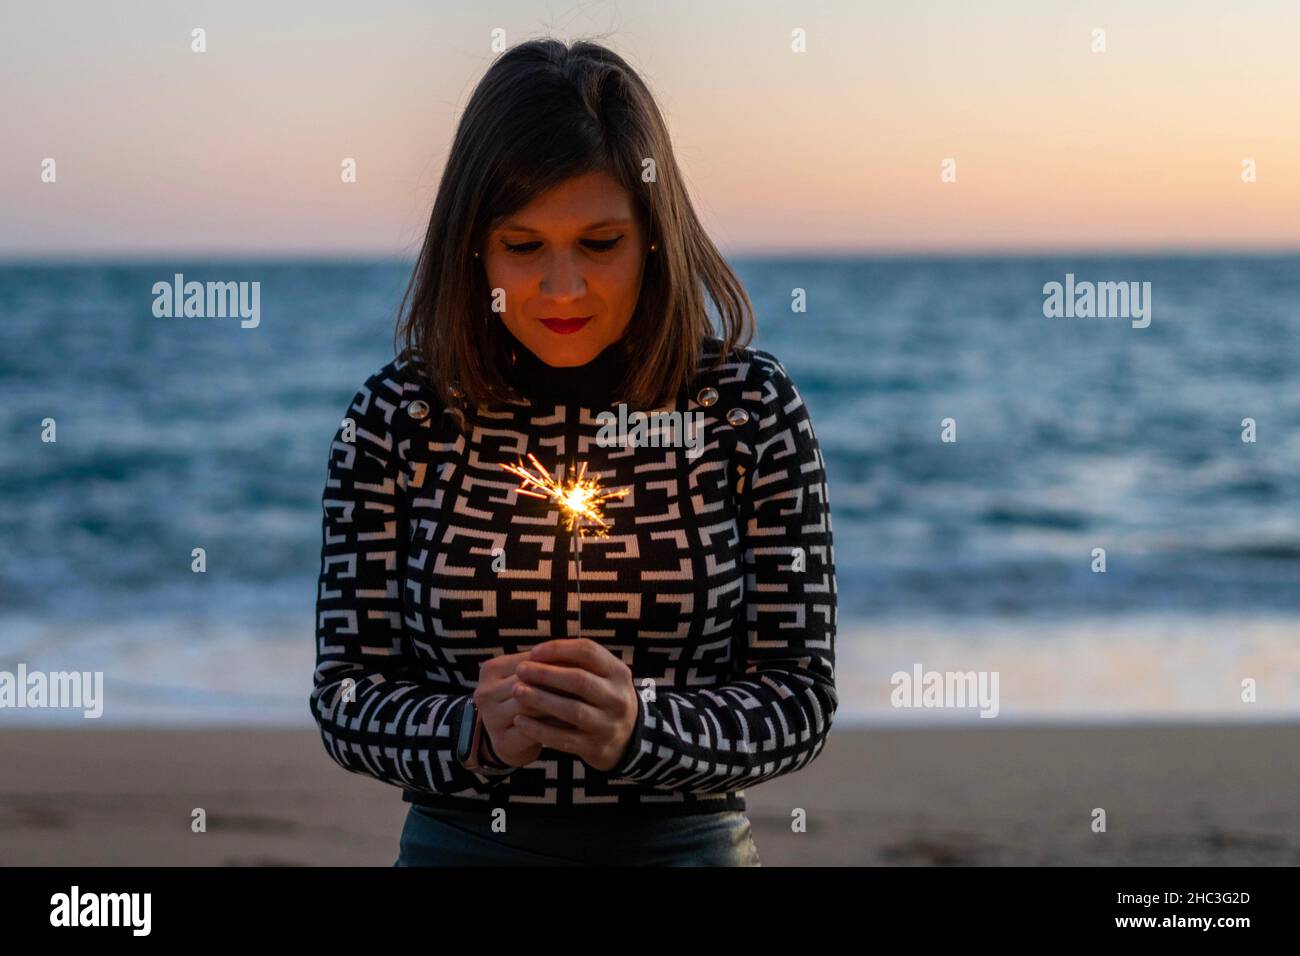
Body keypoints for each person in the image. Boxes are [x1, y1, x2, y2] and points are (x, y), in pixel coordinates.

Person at [310, 37, 837, 866]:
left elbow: (799, 700)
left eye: (599, 244)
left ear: (656, 238)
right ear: (471, 246)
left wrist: (644, 728)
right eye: (523, 247)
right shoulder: (398, 416)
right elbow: (345, 695)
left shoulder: (746, 409)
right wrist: (468, 733)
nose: (562, 289)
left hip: (684, 849)